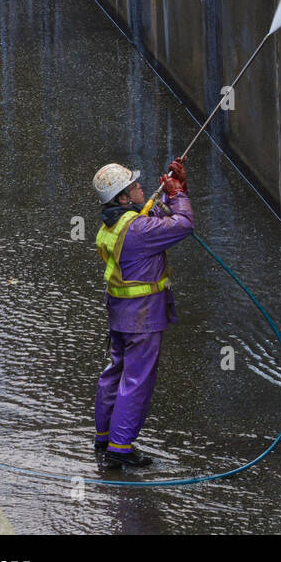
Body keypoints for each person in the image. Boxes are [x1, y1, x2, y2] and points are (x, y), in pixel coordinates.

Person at [89, 158, 193, 467]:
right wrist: (179, 197)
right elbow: (183, 224)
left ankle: (104, 436)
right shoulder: (137, 230)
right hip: (143, 317)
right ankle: (119, 449)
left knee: (116, 372)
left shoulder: (115, 225)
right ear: (122, 198)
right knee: (137, 380)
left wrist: (176, 189)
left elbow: (156, 214)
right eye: (135, 186)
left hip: (121, 313)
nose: (141, 188)